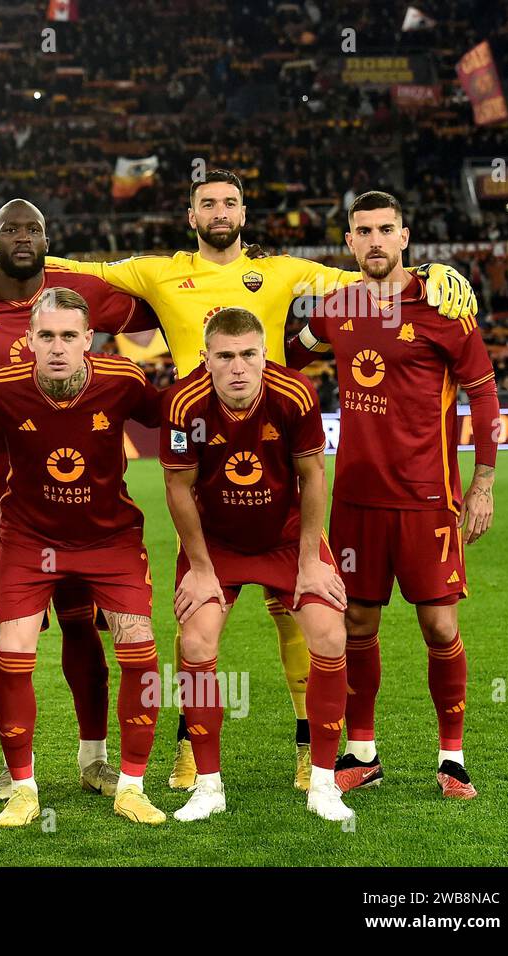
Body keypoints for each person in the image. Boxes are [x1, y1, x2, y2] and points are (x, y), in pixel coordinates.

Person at [0, 169, 479, 792]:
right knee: (196, 610)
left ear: (244, 212)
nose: (219, 211)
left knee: (298, 613)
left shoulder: (281, 270)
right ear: (191, 216)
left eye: (230, 202)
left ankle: (312, 750)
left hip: (276, 448)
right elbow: (74, 269)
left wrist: (440, 272)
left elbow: (366, 277)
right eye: (207, 204)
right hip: (200, 454)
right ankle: (191, 752)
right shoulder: (157, 271)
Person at [0, 198, 157, 802]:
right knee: (0, 628)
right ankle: (16, 768)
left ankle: (94, 756)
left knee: (81, 624)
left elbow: (157, 310)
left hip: (84, 492)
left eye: (33, 229)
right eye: (9, 229)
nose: (22, 237)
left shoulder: (79, 288)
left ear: (48, 237)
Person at [287, 190, 498, 799]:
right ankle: (363, 750)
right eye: (363, 231)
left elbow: (483, 395)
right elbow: (291, 357)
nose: (375, 241)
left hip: (428, 496)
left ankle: (452, 756)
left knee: (438, 624)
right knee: (357, 621)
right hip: (354, 497)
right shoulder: (338, 307)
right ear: (349, 243)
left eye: (386, 229)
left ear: (405, 237)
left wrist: (482, 481)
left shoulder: (441, 307)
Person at [0, 288, 166, 827]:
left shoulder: (123, 380)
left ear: (88, 340)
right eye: (46, 336)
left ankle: (130, 784)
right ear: (28, 340)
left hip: (110, 540)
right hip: (29, 540)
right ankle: (24, 787)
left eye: (69, 336)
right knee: (14, 648)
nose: (57, 347)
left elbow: (175, 416)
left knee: (139, 652)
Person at [161, 307, 353, 822]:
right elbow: (177, 488)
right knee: (197, 641)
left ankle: (324, 782)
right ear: (206, 359)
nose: (238, 366)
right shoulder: (183, 402)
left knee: (331, 637)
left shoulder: (295, 394)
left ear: (264, 354)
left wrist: (311, 561)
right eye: (225, 356)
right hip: (216, 543)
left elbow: (313, 476)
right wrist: (199, 568)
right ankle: (207, 785)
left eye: (248, 354)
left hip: (287, 538)